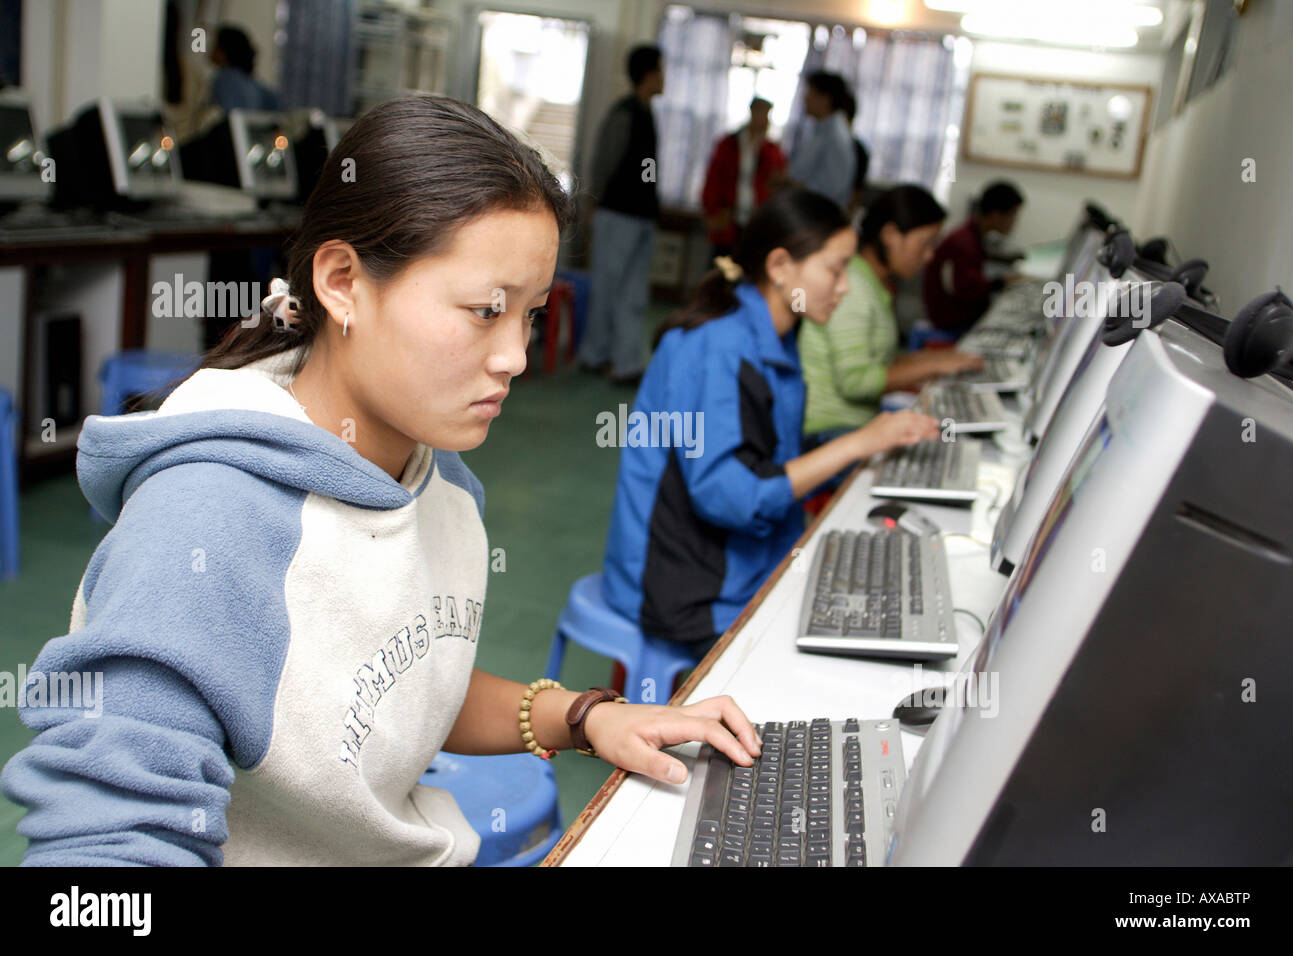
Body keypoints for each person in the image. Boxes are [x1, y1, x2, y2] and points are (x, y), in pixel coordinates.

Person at [0, 96, 762, 867]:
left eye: (530, 315)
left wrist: (587, 717)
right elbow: (103, 846)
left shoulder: (434, 468)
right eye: (486, 311)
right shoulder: (208, 521)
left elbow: (393, 689)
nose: (516, 357)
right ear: (342, 282)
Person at [601, 189, 939, 656]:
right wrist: (857, 444)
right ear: (780, 267)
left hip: (740, 560)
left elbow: (772, 454)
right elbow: (730, 495)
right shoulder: (716, 347)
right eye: (836, 269)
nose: (844, 286)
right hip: (686, 586)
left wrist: (872, 448)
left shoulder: (776, 334)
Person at [801, 186, 984, 447]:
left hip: (852, 429)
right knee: (939, 442)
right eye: (925, 243)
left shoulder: (872, 282)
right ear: (890, 235)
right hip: (830, 433)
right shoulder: (853, 286)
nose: (929, 255)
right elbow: (856, 382)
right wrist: (935, 366)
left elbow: (878, 361)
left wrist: (939, 359)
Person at [578, 44, 664, 386]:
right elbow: (604, 161)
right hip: (617, 214)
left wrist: (651, 200)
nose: (664, 78)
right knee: (607, 287)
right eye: (661, 70)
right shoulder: (624, 113)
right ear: (648, 74)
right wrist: (592, 203)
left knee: (633, 294)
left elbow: (649, 168)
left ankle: (625, 362)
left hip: (641, 216)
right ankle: (595, 355)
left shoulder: (647, 113)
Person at [923, 180, 1026, 334]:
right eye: (1013, 216)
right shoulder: (963, 242)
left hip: (955, 311)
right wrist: (1002, 282)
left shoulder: (972, 233)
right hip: (951, 318)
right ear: (996, 215)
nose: (1014, 222)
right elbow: (966, 288)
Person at [700, 97, 787, 258]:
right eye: (762, 114)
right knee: (723, 261)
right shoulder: (729, 144)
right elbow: (713, 180)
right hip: (728, 218)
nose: (765, 120)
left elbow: (777, 183)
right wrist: (711, 211)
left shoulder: (771, 149)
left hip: (756, 220)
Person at [786, 71, 857, 209]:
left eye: (810, 93)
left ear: (825, 99)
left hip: (817, 213)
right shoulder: (822, 130)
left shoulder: (835, 136)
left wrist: (791, 184)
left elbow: (833, 189)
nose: (805, 98)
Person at [208, 24, 279, 113]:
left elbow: (231, 115)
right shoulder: (254, 84)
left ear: (224, 52)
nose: (210, 49)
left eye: (215, 45)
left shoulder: (225, 79)